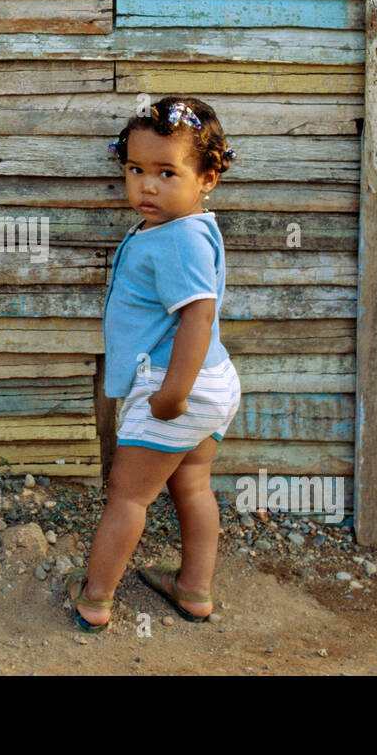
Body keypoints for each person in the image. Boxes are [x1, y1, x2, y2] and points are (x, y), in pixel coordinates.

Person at [67, 96, 240, 631]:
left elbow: (197, 318)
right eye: (136, 170)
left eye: (168, 173)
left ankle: (95, 598)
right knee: (191, 483)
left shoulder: (178, 240)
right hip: (212, 385)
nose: (147, 185)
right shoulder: (188, 227)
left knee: (128, 495)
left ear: (207, 177)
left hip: (174, 386)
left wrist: (171, 394)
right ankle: (193, 590)